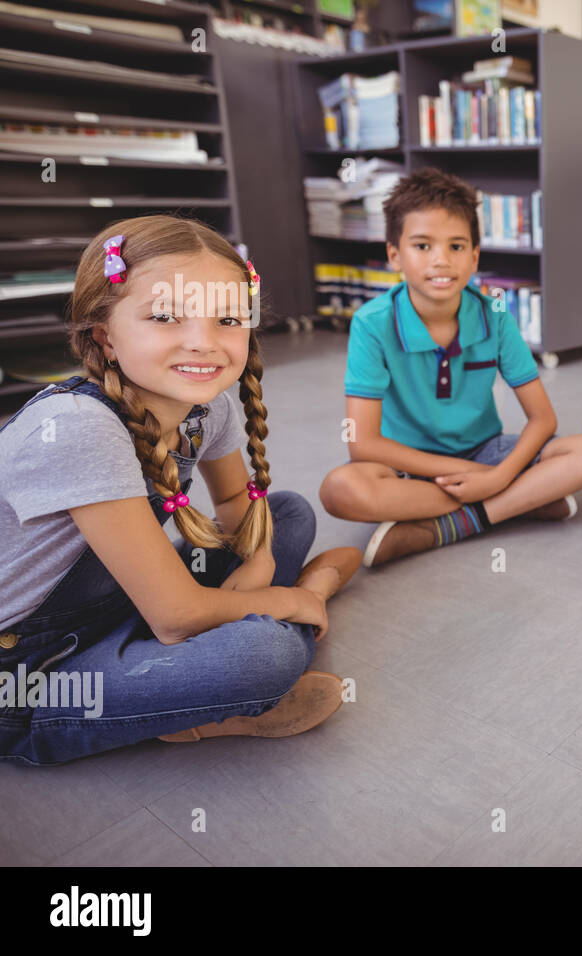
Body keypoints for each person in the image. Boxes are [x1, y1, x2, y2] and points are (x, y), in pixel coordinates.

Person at [0, 216, 360, 765]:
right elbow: (173, 615)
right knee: (265, 655)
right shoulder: (79, 426)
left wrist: (258, 568)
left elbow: (241, 504)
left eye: (227, 319)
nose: (203, 342)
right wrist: (289, 598)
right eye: (166, 316)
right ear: (106, 336)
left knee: (286, 513)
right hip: (29, 674)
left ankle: (197, 676)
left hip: (121, 604)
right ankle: (289, 623)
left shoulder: (205, 406)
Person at [317, 168, 582, 566]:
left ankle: (452, 524)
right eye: (422, 246)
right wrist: (486, 478)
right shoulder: (372, 323)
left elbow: (542, 419)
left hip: (486, 453)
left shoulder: (495, 314)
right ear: (394, 256)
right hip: (405, 464)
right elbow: (363, 443)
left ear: (474, 256)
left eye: (456, 246)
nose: (441, 260)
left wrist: (496, 474)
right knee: (340, 489)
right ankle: (521, 502)